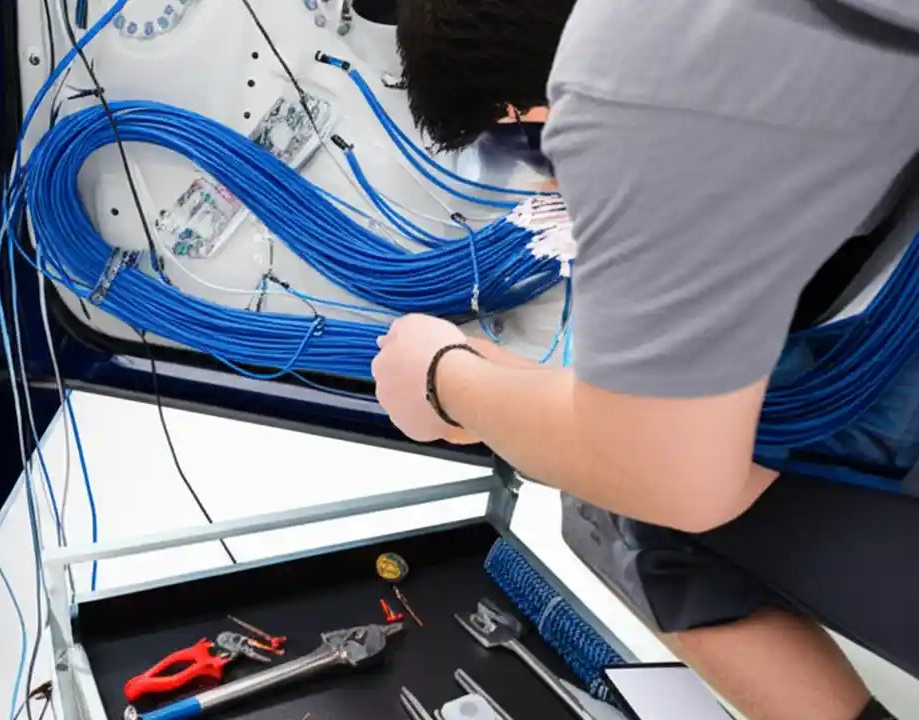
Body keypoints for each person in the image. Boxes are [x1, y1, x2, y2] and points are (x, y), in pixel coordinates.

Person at [375, 1, 919, 718]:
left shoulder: (624, 61)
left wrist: (444, 378)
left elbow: (668, 475)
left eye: (524, 151)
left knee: (616, 517)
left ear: (525, 110)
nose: (546, 183)